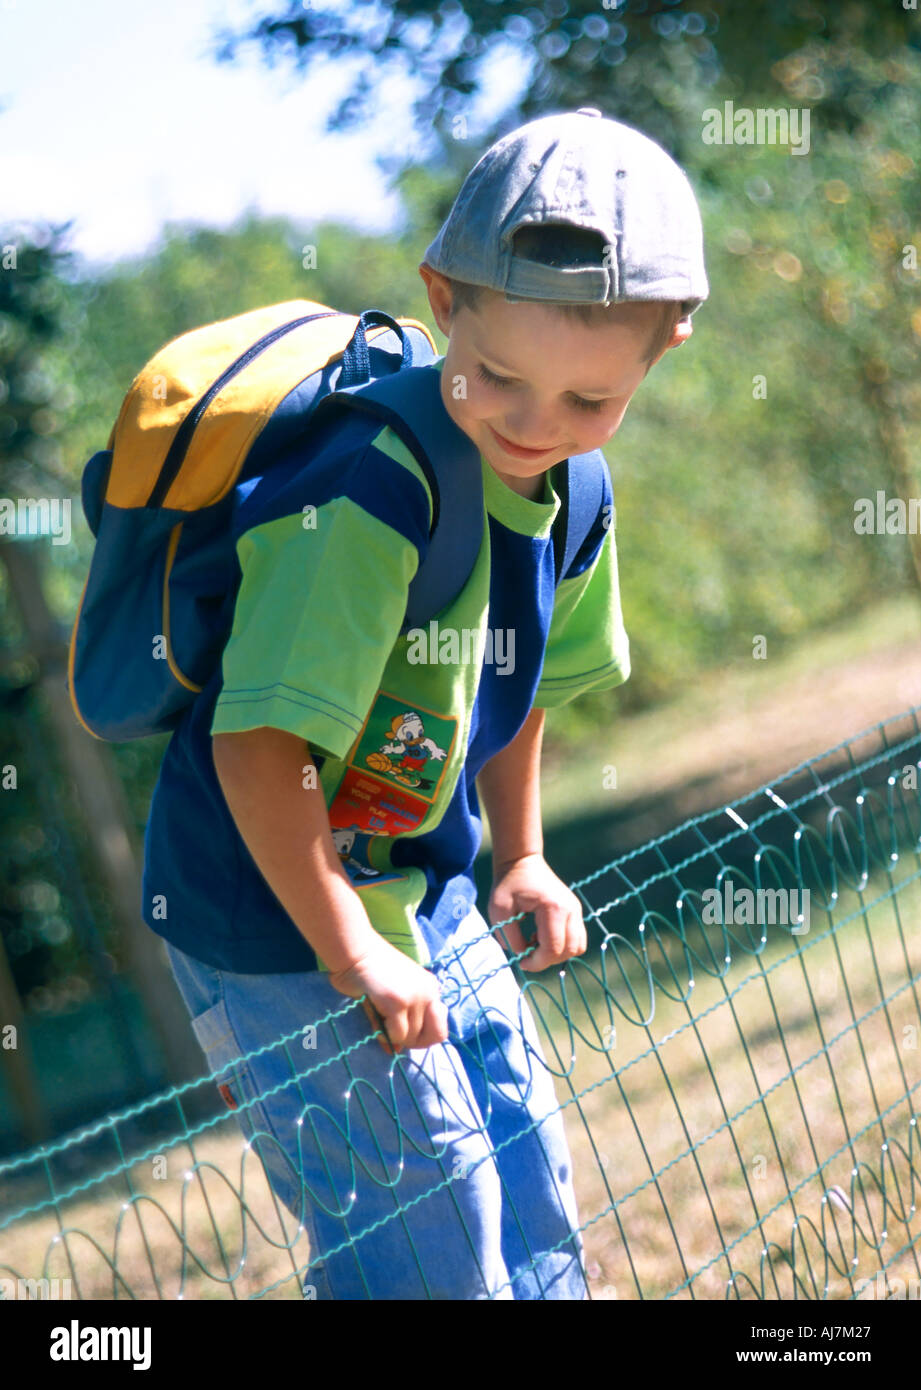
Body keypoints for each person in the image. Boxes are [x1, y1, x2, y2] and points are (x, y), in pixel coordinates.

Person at [143, 107, 709, 1300]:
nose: (532, 427)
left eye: (586, 402)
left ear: (667, 343)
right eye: (500, 378)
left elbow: (523, 683)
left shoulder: (577, 493)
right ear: (444, 299)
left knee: (522, 1165)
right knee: (425, 1230)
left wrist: (525, 856)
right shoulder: (365, 493)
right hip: (276, 905)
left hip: (429, 876)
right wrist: (349, 948)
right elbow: (258, 744)